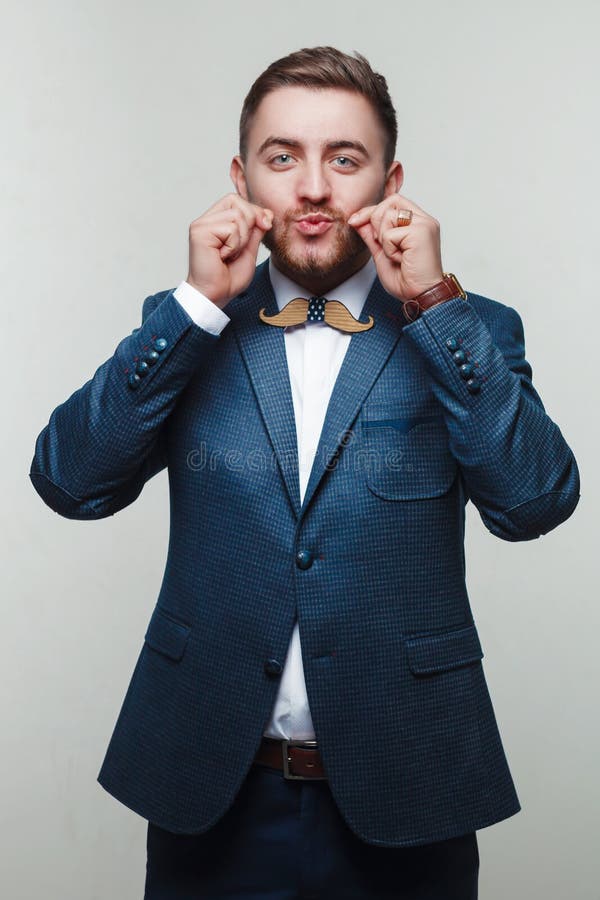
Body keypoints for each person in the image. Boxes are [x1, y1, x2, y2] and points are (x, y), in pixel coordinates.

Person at [30, 46, 580, 899]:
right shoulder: (184, 325)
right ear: (241, 177)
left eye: (344, 159)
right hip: (210, 791)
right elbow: (70, 481)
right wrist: (194, 307)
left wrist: (436, 307)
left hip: (409, 789)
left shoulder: (468, 326)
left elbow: (536, 500)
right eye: (282, 157)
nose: (313, 187)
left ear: (391, 183)